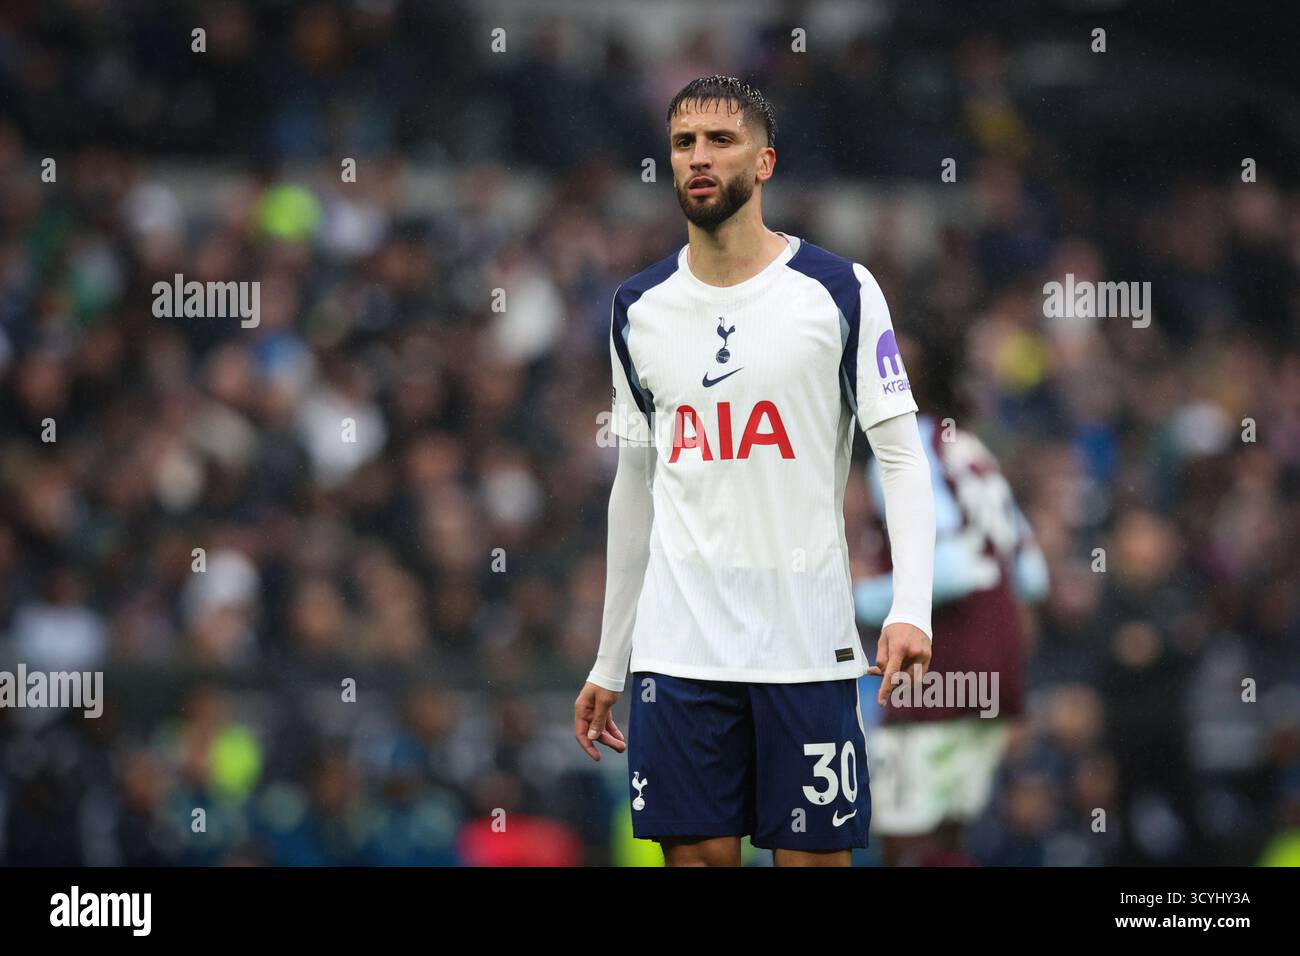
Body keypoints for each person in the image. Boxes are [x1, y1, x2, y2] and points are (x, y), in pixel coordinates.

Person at [573, 75, 936, 867]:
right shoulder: (638, 308)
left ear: (765, 161)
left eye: (720, 140)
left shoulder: (839, 290)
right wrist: (611, 658)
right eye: (682, 143)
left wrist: (912, 607)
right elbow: (634, 485)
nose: (698, 158)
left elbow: (902, 456)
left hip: (804, 647)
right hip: (678, 653)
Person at [853, 327, 1049, 865]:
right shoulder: (970, 446)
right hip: (996, 669)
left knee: (903, 839)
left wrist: (856, 598)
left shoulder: (904, 449)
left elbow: (952, 568)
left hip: (940, 671)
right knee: (948, 837)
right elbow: (1032, 573)